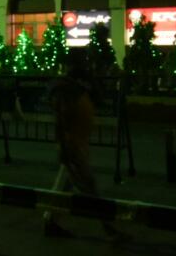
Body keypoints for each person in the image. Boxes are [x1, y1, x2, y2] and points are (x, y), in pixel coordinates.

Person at [42, 52, 125, 241]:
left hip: (76, 145)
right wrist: (65, 146)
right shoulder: (67, 91)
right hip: (74, 147)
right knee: (90, 187)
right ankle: (109, 227)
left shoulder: (75, 89)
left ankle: (50, 221)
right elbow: (62, 120)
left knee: (64, 187)